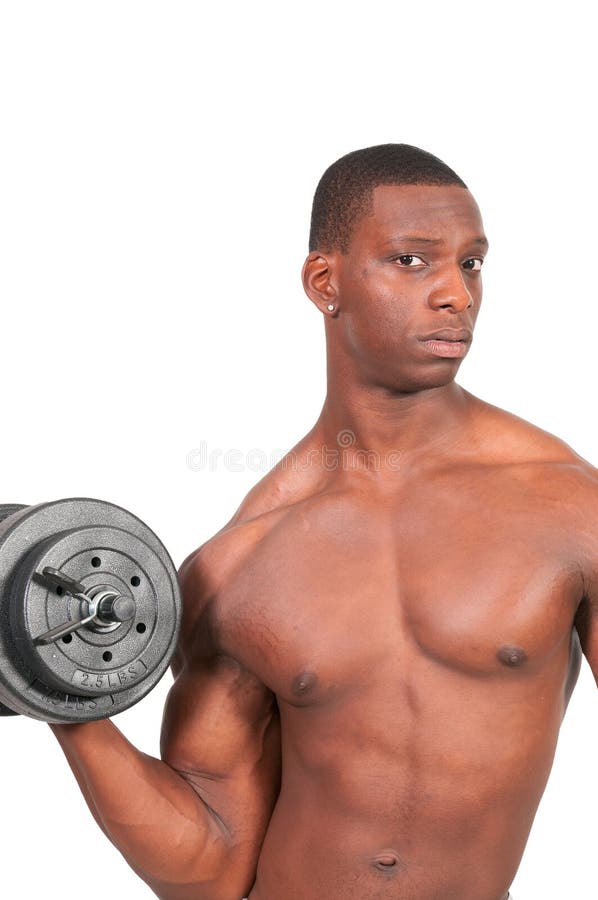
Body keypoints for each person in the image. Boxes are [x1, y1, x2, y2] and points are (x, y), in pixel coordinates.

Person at [50, 144, 597, 900]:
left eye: (472, 264)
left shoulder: (568, 506)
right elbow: (211, 866)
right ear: (324, 281)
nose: (456, 296)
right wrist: (62, 695)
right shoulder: (236, 566)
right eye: (413, 261)